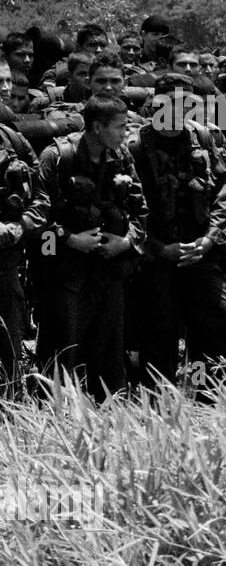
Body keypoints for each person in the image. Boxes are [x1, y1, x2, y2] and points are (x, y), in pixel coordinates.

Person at [29, 93, 147, 399]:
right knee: (61, 352)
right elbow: (36, 223)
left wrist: (127, 241)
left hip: (109, 270)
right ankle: (51, 417)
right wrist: (70, 240)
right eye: (120, 126)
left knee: (109, 353)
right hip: (65, 276)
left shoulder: (121, 155)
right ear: (97, 127)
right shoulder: (56, 158)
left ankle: (109, 415)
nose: (125, 133)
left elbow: (140, 209)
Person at [127, 73, 226, 386]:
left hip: (201, 253)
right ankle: (159, 401)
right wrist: (158, 248)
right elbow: (124, 211)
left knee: (218, 325)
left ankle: (205, 394)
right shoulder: (134, 147)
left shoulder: (206, 138)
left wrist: (208, 240)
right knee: (158, 333)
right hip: (155, 258)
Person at [0, 67, 42, 388]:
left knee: (8, 348)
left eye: (7, 82)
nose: (4, 89)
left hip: (6, 263)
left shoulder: (12, 138)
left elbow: (44, 194)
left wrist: (20, 225)